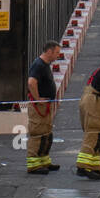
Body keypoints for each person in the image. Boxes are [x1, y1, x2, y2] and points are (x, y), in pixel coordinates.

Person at [25, 41, 63, 174]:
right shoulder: (38, 65)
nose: (58, 55)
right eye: (57, 52)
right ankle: (34, 164)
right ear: (49, 51)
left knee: (46, 133)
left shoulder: (45, 65)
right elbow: (31, 82)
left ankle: (44, 161)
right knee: (37, 133)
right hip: (39, 107)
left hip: (45, 105)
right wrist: (37, 99)